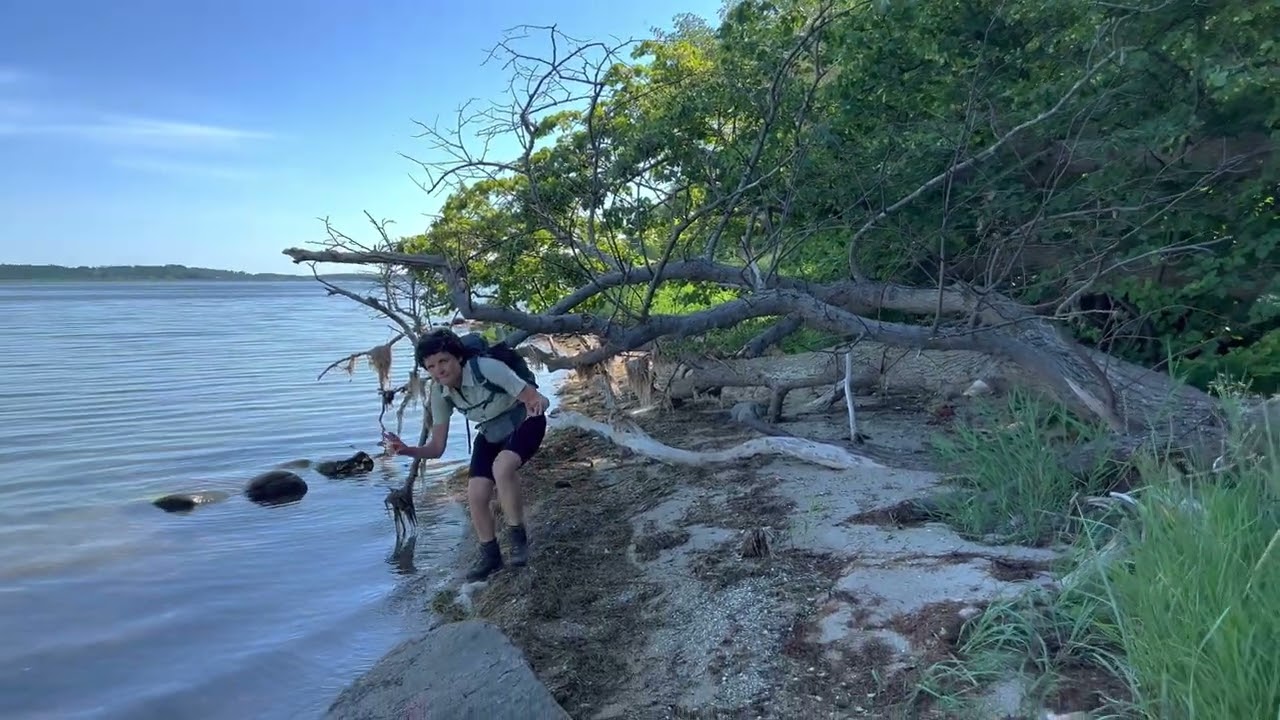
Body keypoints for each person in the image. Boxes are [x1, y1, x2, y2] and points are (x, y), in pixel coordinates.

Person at [382, 329, 550, 581]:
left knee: (502, 468)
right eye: (431, 366)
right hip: (490, 433)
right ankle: (490, 556)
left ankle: (518, 541)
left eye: (443, 361)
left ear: (458, 358)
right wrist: (406, 449)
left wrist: (537, 404)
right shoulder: (439, 393)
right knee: (476, 493)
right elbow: (437, 447)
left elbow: (533, 397)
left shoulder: (487, 369)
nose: (439, 370)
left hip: (524, 420)